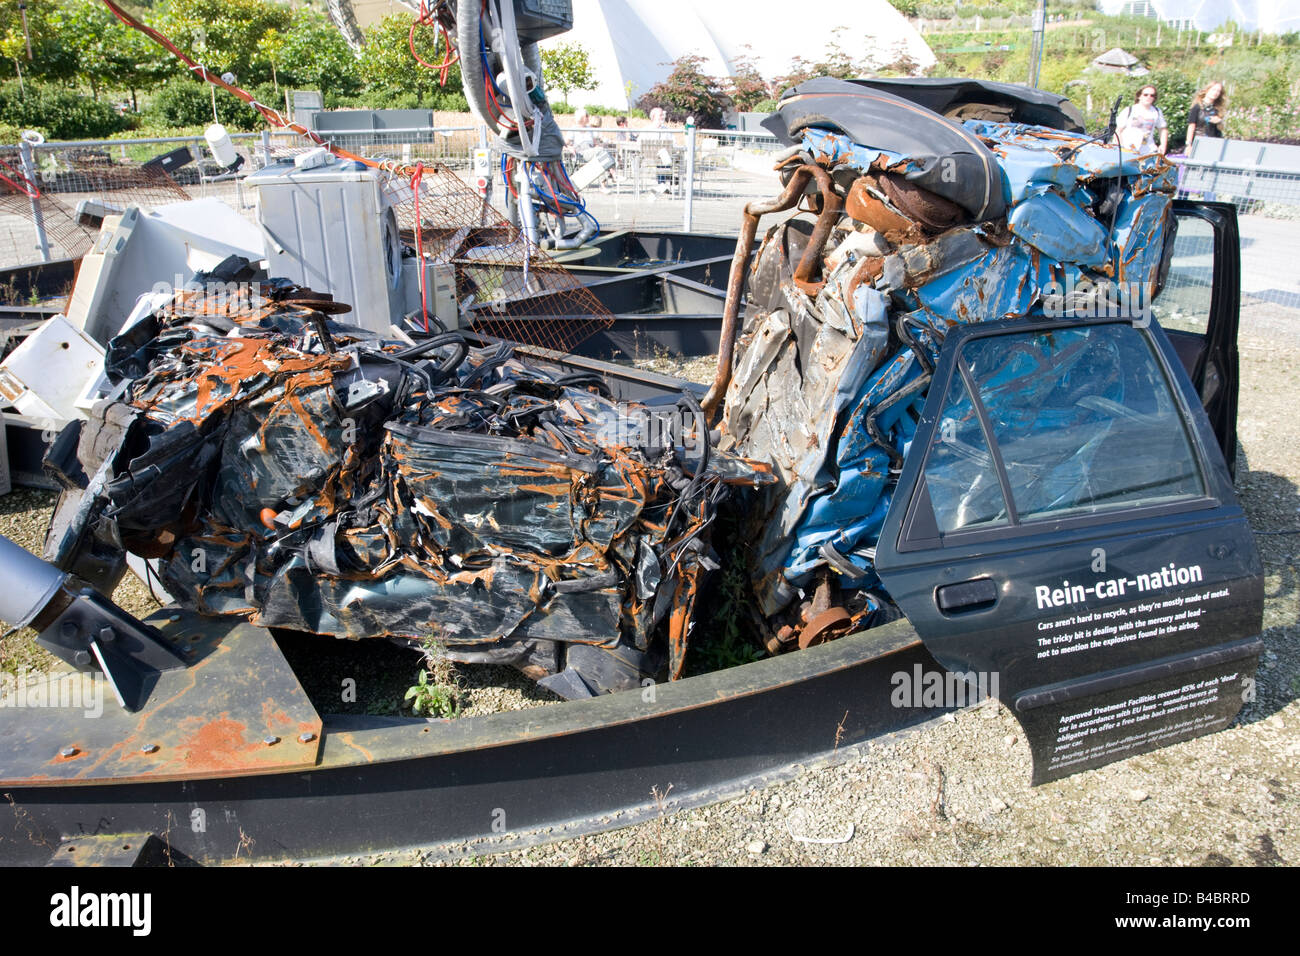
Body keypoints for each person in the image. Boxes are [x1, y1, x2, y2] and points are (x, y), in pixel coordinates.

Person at [1115, 85, 1168, 156]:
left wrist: (1163, 146)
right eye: (1145, 95)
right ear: (1139, 96)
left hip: (1148, 151)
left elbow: (1163, 129)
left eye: (1152, 95)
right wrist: (1121, 147)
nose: (1148, 97)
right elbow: (1118, 131)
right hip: (1128, 150)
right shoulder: (1129, 110)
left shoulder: (1156, 112)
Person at [1186, 82, 1226, 150]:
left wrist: (1219, 122)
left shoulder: (1218, 109)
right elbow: (1191, 126)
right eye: (1213, 90)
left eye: (1218, 91)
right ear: (1207, 90)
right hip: (1198, 142)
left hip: (1214, 142)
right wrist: (1188, 144)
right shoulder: (1197, 107)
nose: (1215, 92)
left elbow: (1221, 128)